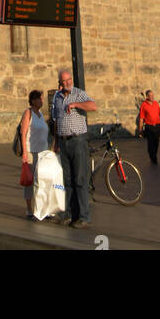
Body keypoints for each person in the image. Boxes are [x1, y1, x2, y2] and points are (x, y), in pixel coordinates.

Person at [51, 68, 98, 228]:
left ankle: (84, 216)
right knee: (68, 180)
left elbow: (93, 106)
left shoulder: (79, 93)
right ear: (60, 83)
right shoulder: (57, 97)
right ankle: (70, 214)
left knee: (80, 179)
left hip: (78, 141)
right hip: (64, 142)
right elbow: (56, 119)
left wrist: (77, 104)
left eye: (69, 80)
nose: (67, 83)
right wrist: (56, 142)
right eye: (64, 81)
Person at [19, 89, 49, 219]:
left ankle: (41, 207)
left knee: (42, 181)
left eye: (42, 99)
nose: (42, 101)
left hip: (42, 152)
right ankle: (29, 208)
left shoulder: (41, 114)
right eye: (39, 99)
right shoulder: (28, 113)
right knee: (30, 182)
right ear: (32, 101)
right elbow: (23, 132)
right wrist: (24, 153)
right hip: (31, 151)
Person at [138, 90, 160, 164]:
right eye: (150, 95)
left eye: (153, 95)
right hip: (149, 127)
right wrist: (140, 129)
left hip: (157, 126)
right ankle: (153, 157)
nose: (152, 97)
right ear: (147, 96)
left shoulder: (156, 104)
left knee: (156, 143)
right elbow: (141, 118)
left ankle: (154, 155)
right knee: (150, 143)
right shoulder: (143, 105)